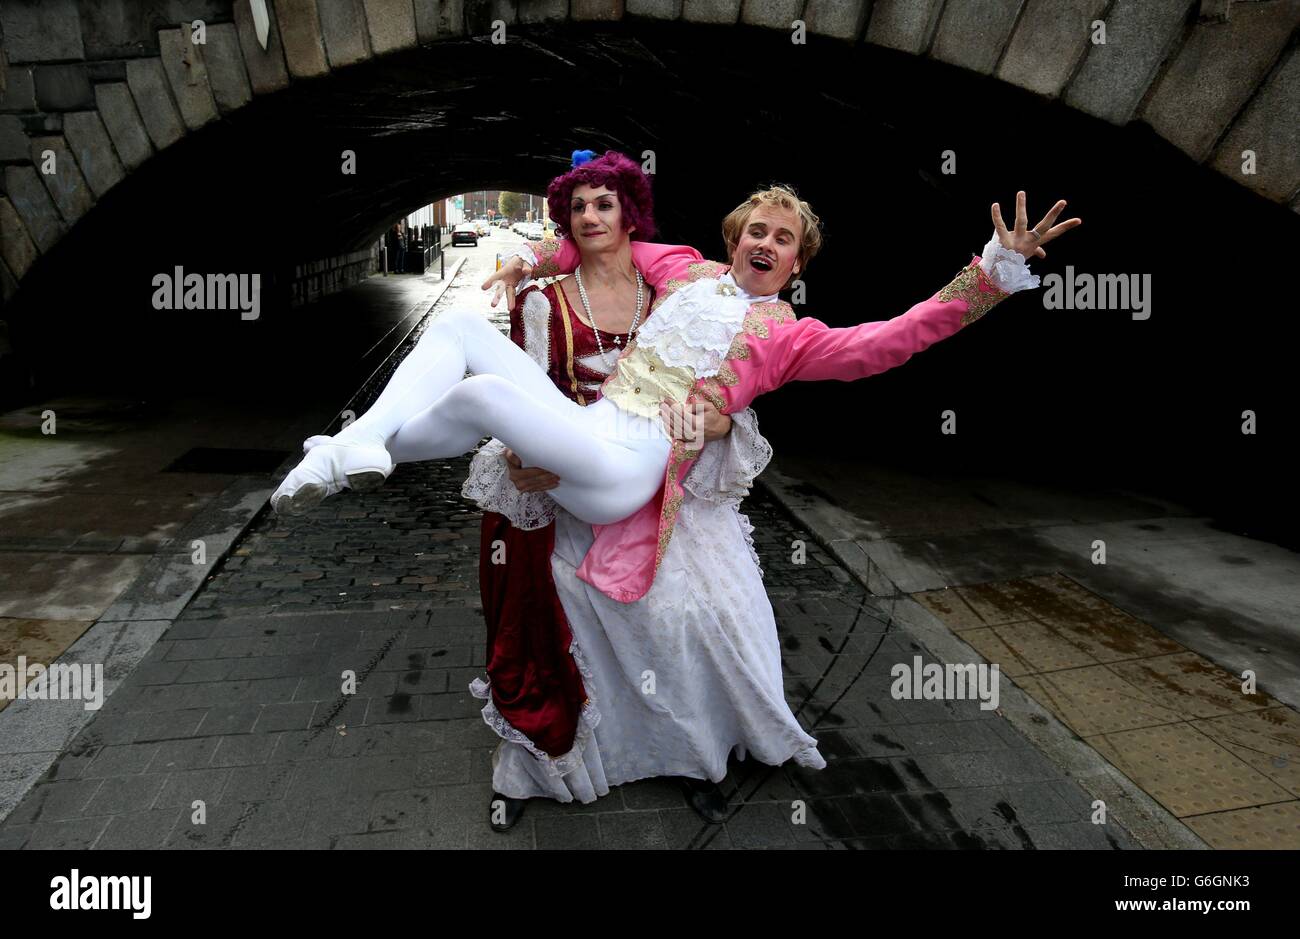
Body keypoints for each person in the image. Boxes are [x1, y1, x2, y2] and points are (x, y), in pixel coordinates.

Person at [269, 180, 1077, 606]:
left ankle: (345, 453)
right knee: (460, 337)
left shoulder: (790, 337)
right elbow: (600, 236)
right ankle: (352, 445)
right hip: (589, 424)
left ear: (798, 264)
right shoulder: (681, 267)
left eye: (782, 238)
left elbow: (894, 338)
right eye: (756, 229)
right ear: (734, 239)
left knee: (483, 398)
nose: (765, 242)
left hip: (629, 467)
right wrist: (533, 260)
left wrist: (991, 276)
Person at [462, 151, 798, 830]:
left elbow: (722, 375)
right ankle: (540, 760)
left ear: (629, 214)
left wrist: (723, 418)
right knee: (549, 605)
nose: (591, 217)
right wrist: (522, 458)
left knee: (691, 614)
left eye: (604, 204)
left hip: (661, 481)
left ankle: (693, 753)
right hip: (571, 478)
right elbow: (523, 398)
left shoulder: (674, 290)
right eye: (578, 207)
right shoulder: (542, 300)